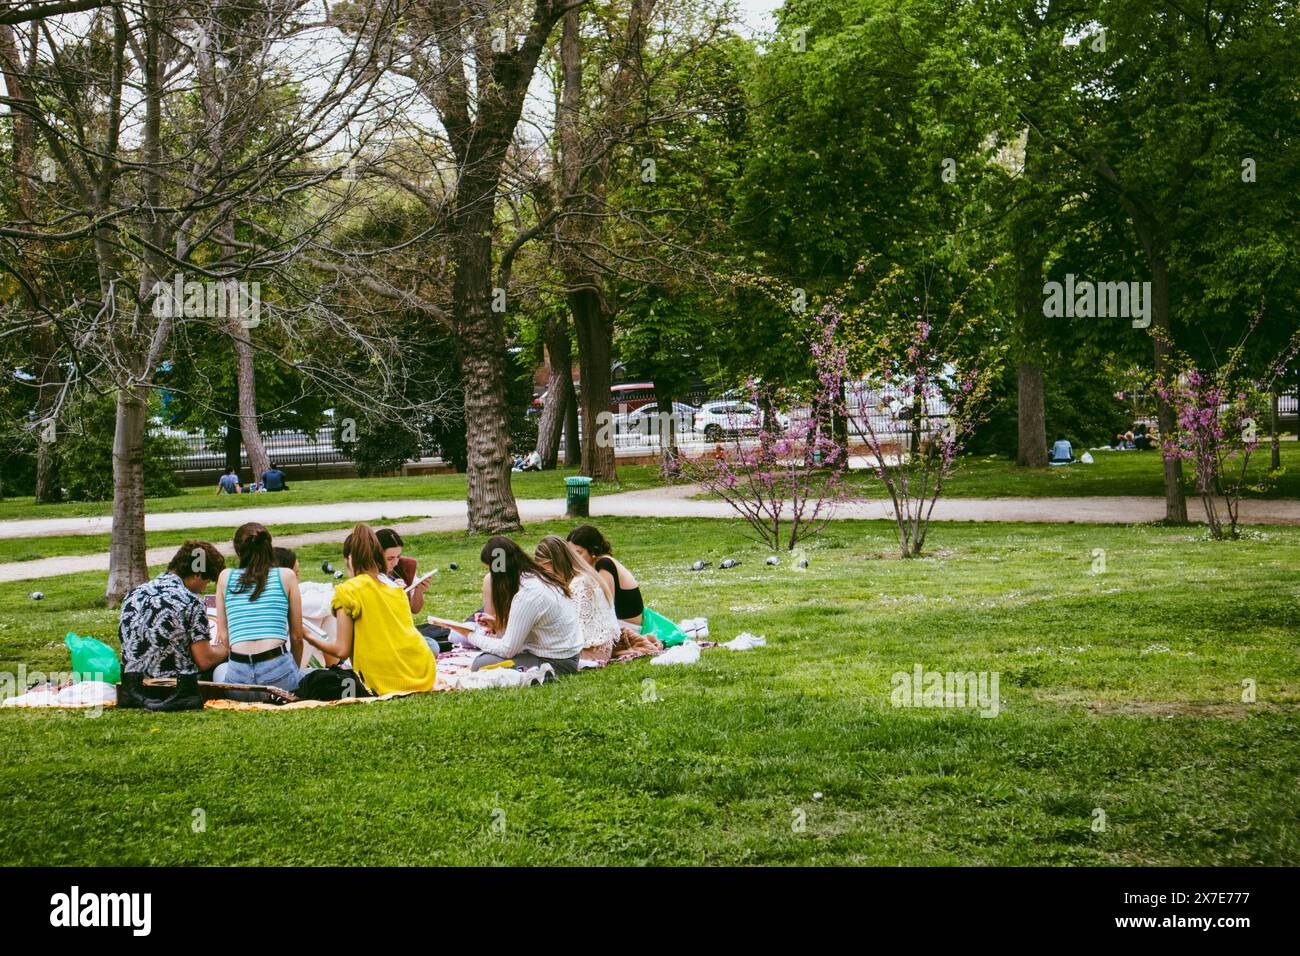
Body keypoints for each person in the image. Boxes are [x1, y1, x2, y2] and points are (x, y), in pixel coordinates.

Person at [300, 523, 437, 695]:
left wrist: (307, 636)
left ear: (349, 559)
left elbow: (342, 650)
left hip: (382, 681)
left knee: (309, 678)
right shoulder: (396, 588)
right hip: (423, 673)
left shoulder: (347, 591)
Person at [118, 541, 228, 711]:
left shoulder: (133, 594)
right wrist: (226, 648)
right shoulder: (191, 602)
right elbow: (204, 660)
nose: (204, 588)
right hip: (172, 688)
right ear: (197, 574)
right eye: (207, 581)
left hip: (134, 685)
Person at [213, 522, 306, 693]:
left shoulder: (225, 578)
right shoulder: (286, 576)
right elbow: (297, 637)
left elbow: (225, 638)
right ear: (268, 547)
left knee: (219, 671)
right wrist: (293, 671)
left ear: (238, 551)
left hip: (239, 679)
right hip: (278, 674)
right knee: (308, 673)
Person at [468, 535, 581, 675]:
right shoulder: (535, 577)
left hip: (556, 662)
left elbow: (507, 649)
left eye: (490, 570)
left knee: (480, 664)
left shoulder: (528, 593)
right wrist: (497, 625)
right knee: (485, 659)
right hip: (564, 655)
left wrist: (470, 635)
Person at [535, 534, 618, 663]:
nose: (543, 573)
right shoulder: (582, 576)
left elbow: (578, 633)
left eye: (544, 567)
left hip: (592, 652)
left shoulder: (580, 583)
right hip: (598, 648)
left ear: (556, 562)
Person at [566, 524, 644, 629]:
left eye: (579, 553)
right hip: (617, 623)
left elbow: (605, 606)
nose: (573, 558)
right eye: (571, 554)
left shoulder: (604, 564)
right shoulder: (591, 565)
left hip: (628, 627)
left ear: (593, 551)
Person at [376, 527, 429, 614]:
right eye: (390, 558)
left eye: (398, 556)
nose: (395, 563)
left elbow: (415, 609)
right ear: (377, 556)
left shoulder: (406, 566)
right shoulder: (368, 573)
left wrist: (419, 590)